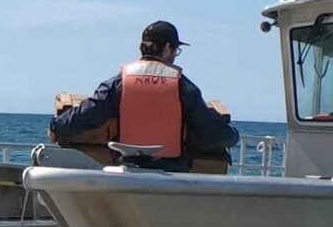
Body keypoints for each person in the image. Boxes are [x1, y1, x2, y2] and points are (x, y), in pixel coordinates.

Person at [49, 20, 239, 172]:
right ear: (166, 48)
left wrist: (56, 127)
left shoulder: (120, 82)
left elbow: (89, 112)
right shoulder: (183, 86)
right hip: (171, 171)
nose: (175, 55)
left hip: (128, 170)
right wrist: (233, 136)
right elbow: (212, 132)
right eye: (175, 50)